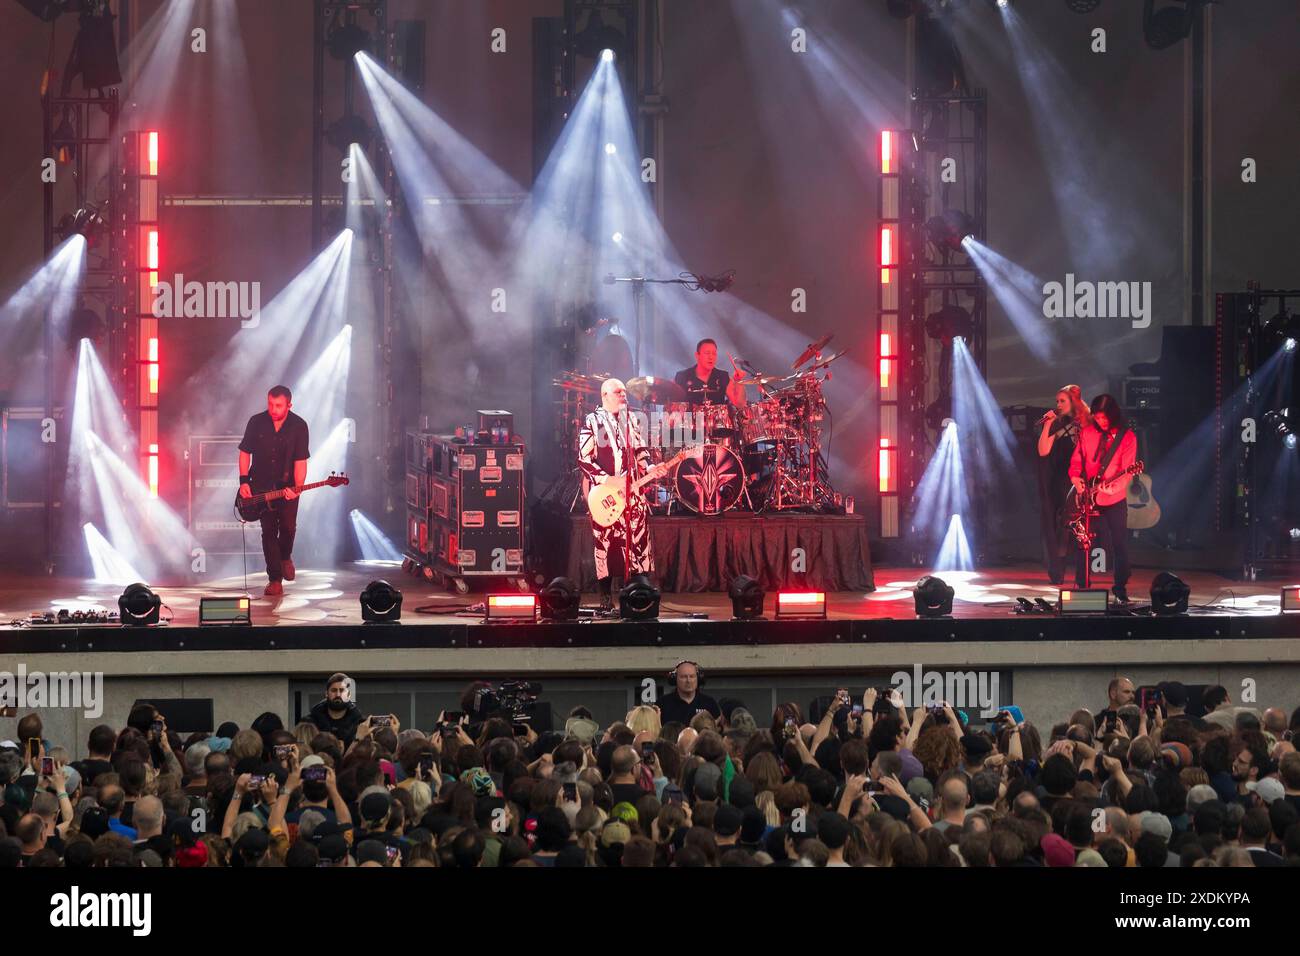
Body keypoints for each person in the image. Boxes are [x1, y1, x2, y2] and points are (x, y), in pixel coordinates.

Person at [578, 378, 661, 610]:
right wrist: (609, 479)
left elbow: (641, 450)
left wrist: (650, 467)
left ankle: (636, 595)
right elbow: (584, 460)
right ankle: (605, 599)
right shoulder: (592, 421)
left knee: (638, 542)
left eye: (625, 392)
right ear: (605, 395)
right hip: (607, 494)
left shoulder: (631, 419)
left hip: (633, 493)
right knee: (606, 544)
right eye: (618, 392)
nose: (624, 395)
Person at [238, 385, 311, 597]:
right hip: (260, 486)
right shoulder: (256, 422)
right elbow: (244, 453)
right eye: (270, 404)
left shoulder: (299, 426)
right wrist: (244, 481)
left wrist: (297, 488)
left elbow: (301, 461)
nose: (273, 409)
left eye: (278, 405)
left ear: (289, 405)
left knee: (288, 527)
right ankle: (275, 580)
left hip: (287, 487)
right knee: (268, 532)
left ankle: (285, 556)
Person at [1068, 393, 1137, 602]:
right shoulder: (1086, 433)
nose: (1101, 422)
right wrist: (1076, 479)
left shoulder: (1127, 437)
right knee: (1084, 542)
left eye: (1105, 418)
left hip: (1114, 498)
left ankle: (1120, 588)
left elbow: (1127, 473)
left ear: (1113, 415)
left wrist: (1111, 488)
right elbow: (1076, 462)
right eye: (1097, 418)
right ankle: (1082, 585)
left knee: (1119, 543)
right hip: (1088, 496)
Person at [1035, 385, 1088, 584]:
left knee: (1082, 527)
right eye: (1057, 401)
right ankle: (1058, 571)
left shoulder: (1086, 421)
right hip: (1061, 481)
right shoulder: (1058, 424)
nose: (1058, 405)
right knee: (1061, 528)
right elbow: (1043, 451)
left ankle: (1083, 575)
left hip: (1083, 479)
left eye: (1062, 401)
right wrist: (1048, 424)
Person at [673, 339, 747, 407]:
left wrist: (738, 381)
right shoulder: (682, 376)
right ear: (697, 355)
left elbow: (740, 404)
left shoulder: (722, 376)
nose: (711, 357)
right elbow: (672, 405)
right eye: (707, 353)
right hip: (690, 420)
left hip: (718, 421)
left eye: (714, 354)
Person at [658, 660, 721, 726]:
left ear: (698, 679)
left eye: (692, 676)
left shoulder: (709, 703)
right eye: (683, 677)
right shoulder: (663, 703)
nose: (688, 680)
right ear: (675, 679)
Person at [309, 673, 363, 747]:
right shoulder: (311, 721)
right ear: (326, 694)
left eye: (342, 691)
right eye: (334, 690)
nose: (338, 694)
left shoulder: (359, 724)